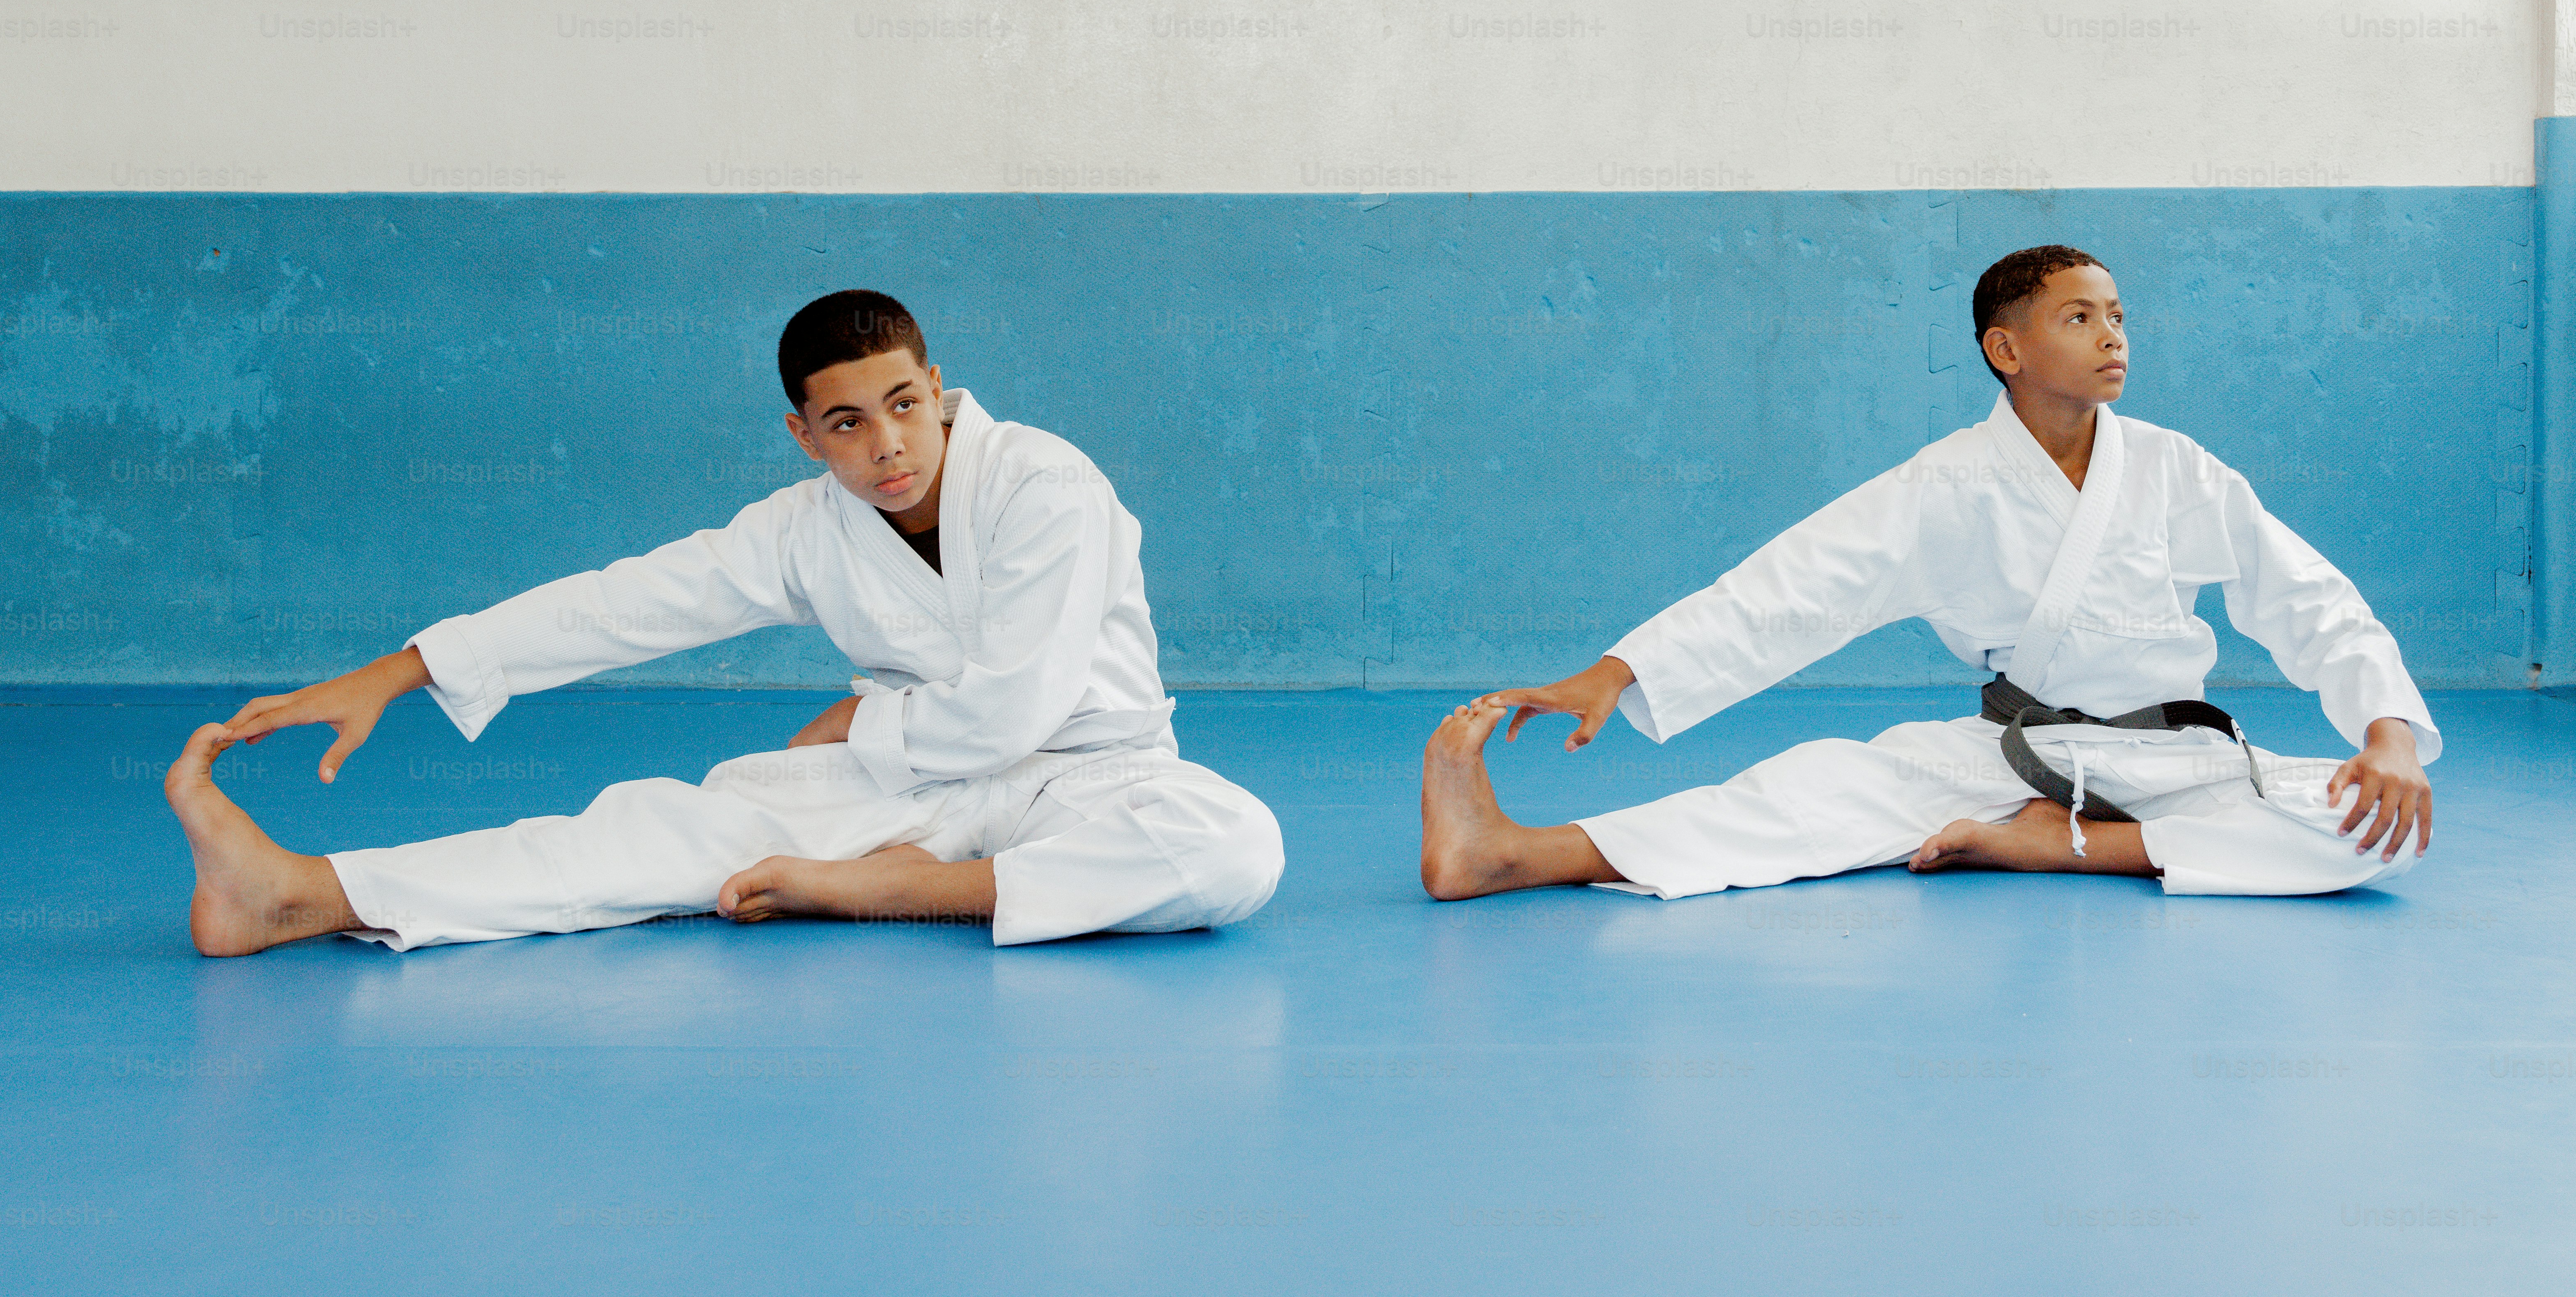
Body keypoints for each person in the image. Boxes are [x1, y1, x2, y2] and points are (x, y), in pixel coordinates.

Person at [164, 291, 1284, 954]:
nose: (885, 445)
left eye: (902, 406)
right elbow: (625, 604)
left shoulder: (1048, 488)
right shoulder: (806, 528)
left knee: (1236, 848)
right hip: (917, 786)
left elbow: (1015, 712)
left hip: (1096, 775)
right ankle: (304, 892)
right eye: (846, 424)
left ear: (936, 386)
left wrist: (862, 725)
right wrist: (405, 670)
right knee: (670, 834)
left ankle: (897, 891)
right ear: (806, 435)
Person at [1418, 245, 2438, 904]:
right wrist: (1623, 672)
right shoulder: (1947, 485)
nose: (2113, 333)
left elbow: (2305, 593)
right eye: (2079, 317)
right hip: (2018, 754)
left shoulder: (2177, 469)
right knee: (1812, 790)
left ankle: (2064, 847)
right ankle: (1509, 852)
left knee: (2370, 835)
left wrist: (2386, 731)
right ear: (2006, 349)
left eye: (2119, 314)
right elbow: (1793, 587)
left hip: (2178, 763)